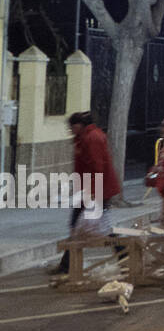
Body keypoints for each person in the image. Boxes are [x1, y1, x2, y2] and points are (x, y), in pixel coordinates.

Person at [52, 111, 123, 274]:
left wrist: (92, 192)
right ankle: (67, 264)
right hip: (90, 189)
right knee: (83, 225)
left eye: (72, 127)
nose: (70, 130)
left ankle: (123, 252)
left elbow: (96, 167)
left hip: (96, 190)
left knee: (85, 226)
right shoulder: (83, 138)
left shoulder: (92, 138)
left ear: (79, 125)